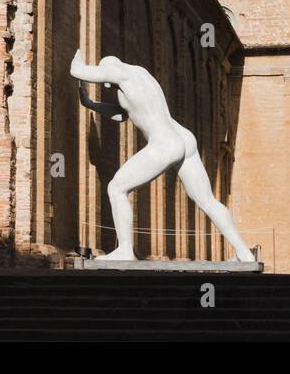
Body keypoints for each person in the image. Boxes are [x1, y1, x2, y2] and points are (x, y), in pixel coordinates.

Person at [69, 50, 255, 262]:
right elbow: (123, 115)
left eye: (106, 80)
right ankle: (244, 252)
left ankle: (125, 250)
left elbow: (78, 71)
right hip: (184, 138)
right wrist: (91, 104)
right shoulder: (141, 76)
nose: (107, 85)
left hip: (164, 143)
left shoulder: (118, 72)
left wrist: (77, 57)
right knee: (207, 200)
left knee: (116, 188)